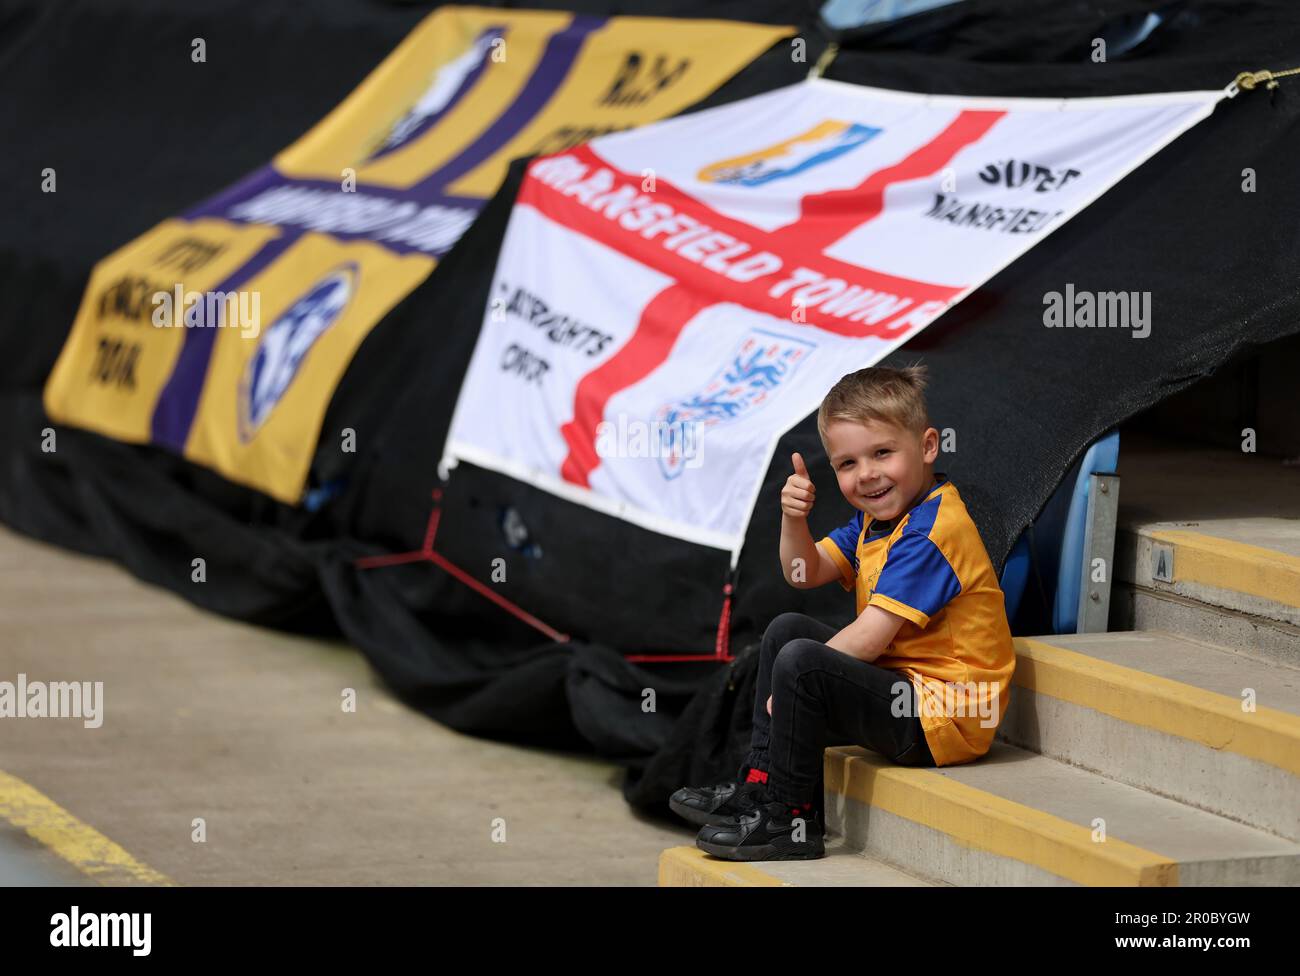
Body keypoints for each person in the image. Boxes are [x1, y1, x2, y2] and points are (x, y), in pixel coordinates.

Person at [669, 364, 1015, 861]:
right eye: (847, 463)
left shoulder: (932, 531)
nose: (867, 474)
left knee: (802, 661)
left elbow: (869, 639)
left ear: (927, 446)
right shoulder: (878, 521)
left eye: (882, 453)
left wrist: (789, 690)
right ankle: (760, 786)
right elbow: (802, 572)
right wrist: (794, 519)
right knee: (785, 630)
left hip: (946, 719)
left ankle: (789, 820)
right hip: (904, 694)